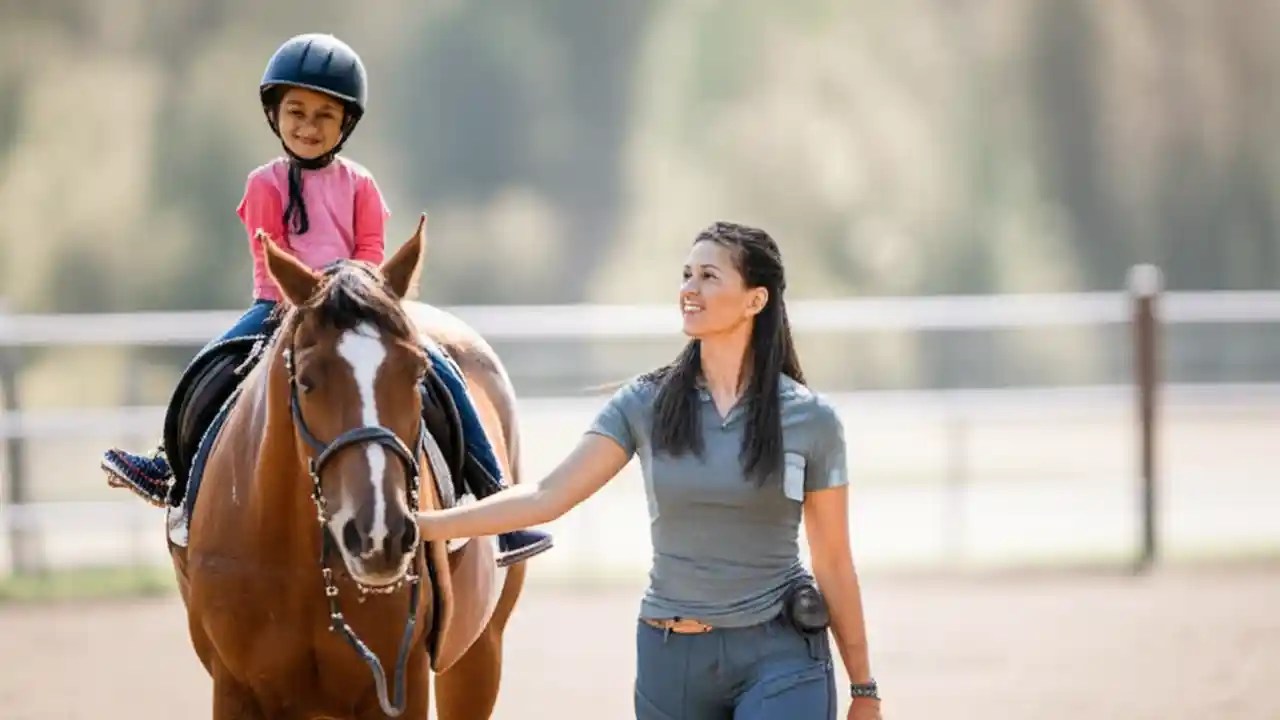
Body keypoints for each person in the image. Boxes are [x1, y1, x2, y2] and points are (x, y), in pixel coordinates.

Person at [99, 32, 551, 567]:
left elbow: (371, 251)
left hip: (359, 305)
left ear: (345, 125)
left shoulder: (361, 185)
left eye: (323, 116)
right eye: (296, 112)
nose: (308, 127)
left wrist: (349, 294)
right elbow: (271, 261)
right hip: (282, 303)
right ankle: (170, 466)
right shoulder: (263, 184)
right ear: (275, 114)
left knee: (445, 374)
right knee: (213, 363)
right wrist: (311, 300)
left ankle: (496, 500)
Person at [414, 221, 881, 719]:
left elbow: (833, 561)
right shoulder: (645, 403)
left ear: (756, 300)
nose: (689, 290)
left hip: (781, 655)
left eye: (708, 276)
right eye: (686, 274)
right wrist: (426, 525)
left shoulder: (812, 420)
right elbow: (548, 495)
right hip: (671, 658)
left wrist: (863, 688)